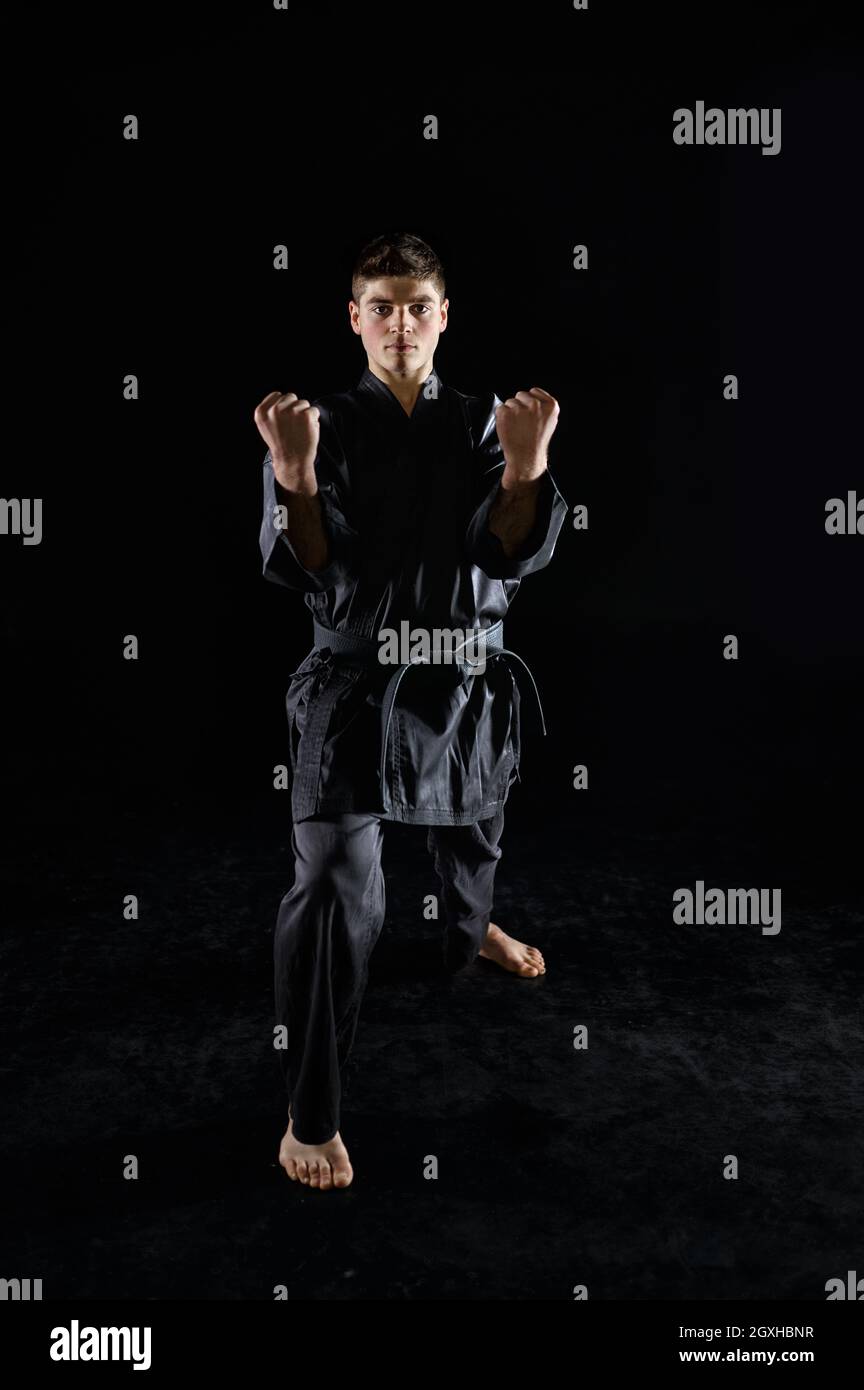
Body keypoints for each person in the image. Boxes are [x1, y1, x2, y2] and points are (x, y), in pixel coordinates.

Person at [254, 232, 568, 1190]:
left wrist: (524, 470)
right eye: (380, 307)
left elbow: (501, 551)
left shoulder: (485, 422)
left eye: (417, 306)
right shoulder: (319, 424)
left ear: (443, 317)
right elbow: (316, 566)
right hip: (353, 689)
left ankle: (475, 930)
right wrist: (297, 478)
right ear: (355, 318)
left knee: (473, 844)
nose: (400, 324)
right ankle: (310, 1114)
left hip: (465, 682)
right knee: (338, 894)